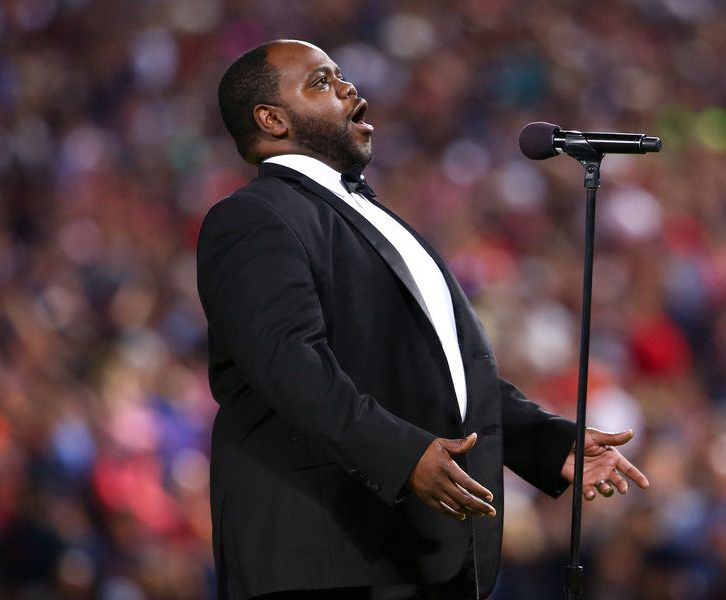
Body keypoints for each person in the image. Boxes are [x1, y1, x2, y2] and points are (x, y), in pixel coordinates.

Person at [197, 39, 649, 600]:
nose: (347, 87)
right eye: (320, 81)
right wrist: (405, 455)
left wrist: (546, 444)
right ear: (271, 119)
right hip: (324, 556)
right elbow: (290, 366)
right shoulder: (253, 217)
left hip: (411, 552)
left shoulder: (369, 214)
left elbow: (448, 372)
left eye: (341, 75)